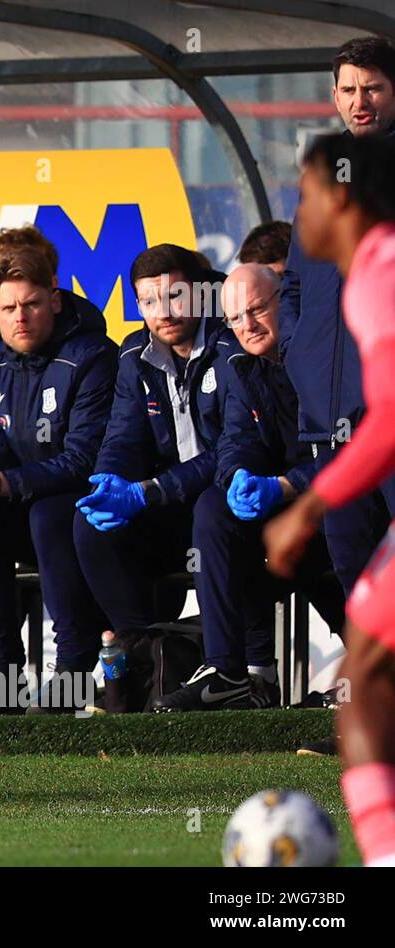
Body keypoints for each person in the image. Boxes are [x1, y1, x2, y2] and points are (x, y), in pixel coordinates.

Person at [265, 132, 395, 867]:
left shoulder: (380, 270)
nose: (300, 214)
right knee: (366, 670)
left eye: (306, 194)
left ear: (339, 196)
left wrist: (310, 506)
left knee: (367, 677)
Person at [151, 264, 344, 711]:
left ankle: (369, 680)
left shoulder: (325, 356)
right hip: (289, 506)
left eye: (256, 310)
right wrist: (237, 474)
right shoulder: (239, 363)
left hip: (340, 502)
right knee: (214, 508)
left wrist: (286, 485)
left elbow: (350, 452)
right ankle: (227, 672)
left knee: (322, 541)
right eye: (235, 318)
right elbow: (236, 438)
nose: (247, 326)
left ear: (284, 302)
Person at [0, 248, 116, 711]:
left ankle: (73, 671)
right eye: (9, 308)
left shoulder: (93, 355)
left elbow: (82, 460)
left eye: (31, 304)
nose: (21, 318)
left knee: (49, 513)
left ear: (54, 300)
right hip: (23, 500)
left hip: (80, 508)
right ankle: (1, 680)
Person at [73, 244, 235, 632]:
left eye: (174, 297)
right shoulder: (134, 353)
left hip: (225, 497)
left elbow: (230, 447)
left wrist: (150, 490)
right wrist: (109, 477)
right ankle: (144, 650)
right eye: (148, 301)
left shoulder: (231, 345)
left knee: (211, 509)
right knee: (88, 524)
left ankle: (228, 667)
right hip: (167, 501)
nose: (162, 312)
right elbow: (123, 437)